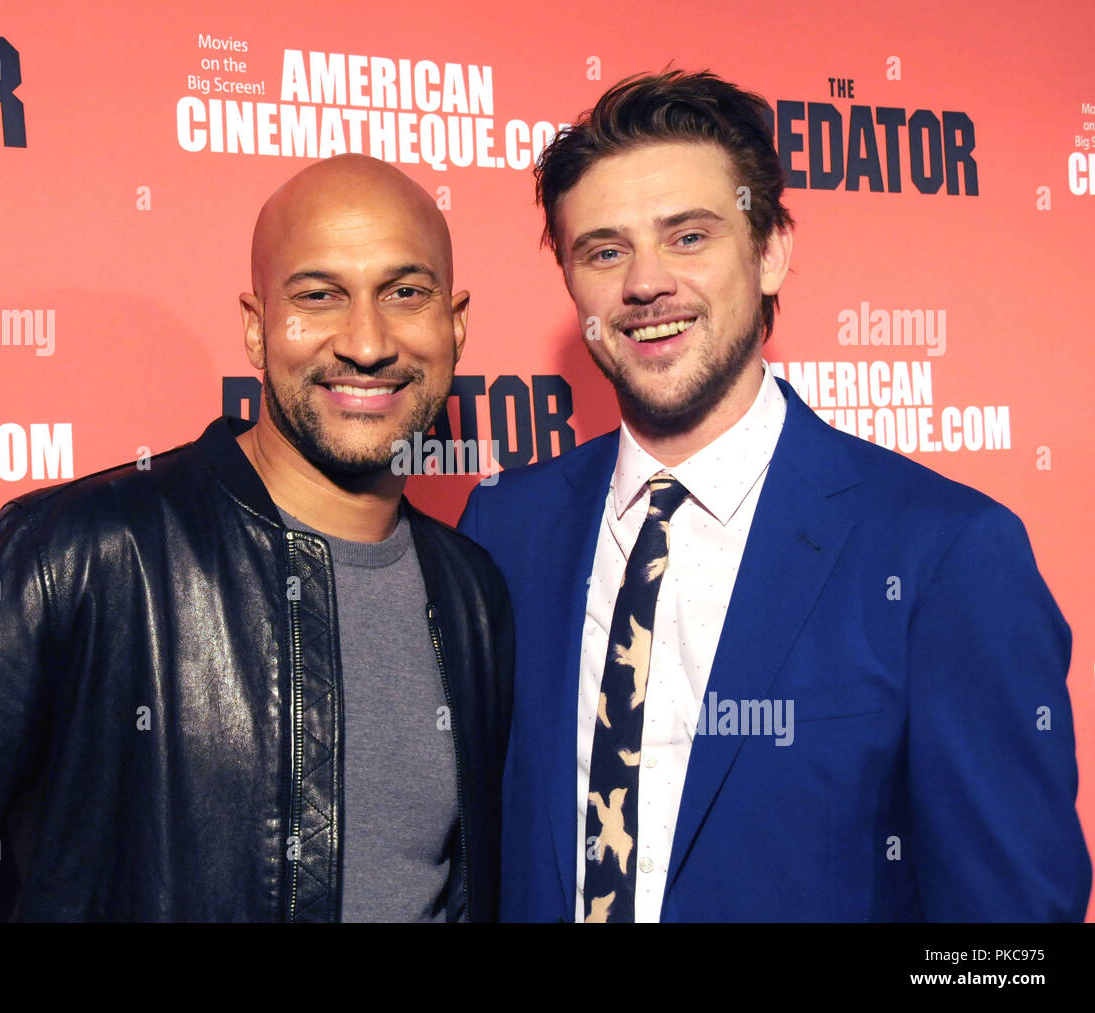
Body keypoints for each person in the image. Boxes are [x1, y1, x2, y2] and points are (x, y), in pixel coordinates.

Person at [0, 154, 513, 922]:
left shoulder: (471, 591)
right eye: (318, 295)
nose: (367, 342)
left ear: (455, 323)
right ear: (255, 327)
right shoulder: (80, 553)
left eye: (405, 293)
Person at [459, 70, 1089, 922]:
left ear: (770, 252)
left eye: (688, 237)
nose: (645, 283)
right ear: (573, 285)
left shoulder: (943, 551)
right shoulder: (507, 527)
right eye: (604, 251)